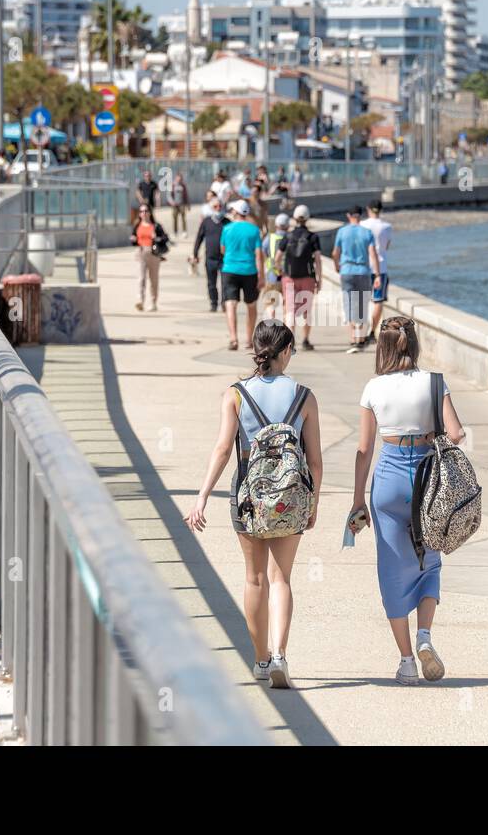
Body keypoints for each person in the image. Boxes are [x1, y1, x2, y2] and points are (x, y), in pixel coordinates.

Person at [184, 322, 322, 688]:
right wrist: (313, 502)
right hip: (291, 497)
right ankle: (280, 654)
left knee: (255, 578)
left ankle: (261, 659)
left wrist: (201, 496)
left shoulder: (235, 394)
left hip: (248, 495)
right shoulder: (305, 396)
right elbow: (316, 460)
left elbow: (223, 448)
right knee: (282, 579)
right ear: (288, 350)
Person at [349, 316, 464, 685]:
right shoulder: (435, 383)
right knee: (429, 563)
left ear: (382, 347)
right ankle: (425, 637)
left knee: (392, 571)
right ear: (414, 346)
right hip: (428, 479)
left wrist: (357, 501)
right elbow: (458, 433)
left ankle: (406, 663)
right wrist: (432, 434)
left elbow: (364, 448)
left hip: (388, 480)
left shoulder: (373, 387)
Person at [330, 205, 381, 354]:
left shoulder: (342, 231)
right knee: (361, 305)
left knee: (349, 304)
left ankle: (353, 339)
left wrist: (337, 266)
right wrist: (377, 274)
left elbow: (335, 253)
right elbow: (373, 254)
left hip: (346, 270)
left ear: (348, 215)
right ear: (361, 215)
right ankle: (359, 340)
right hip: (363, 271)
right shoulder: (367, 232)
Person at [219, 199, 264, 350]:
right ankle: (249, 340)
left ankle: (233, 339)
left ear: (236, 212)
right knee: (251, 305)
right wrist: (261, 276)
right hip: (249, 270)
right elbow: (259, 255)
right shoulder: (254, 230)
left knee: (231, 303)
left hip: (230, 269)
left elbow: (222, 250)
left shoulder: (227, 229)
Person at [275, 204, 320, 352]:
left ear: (294, 218)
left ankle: (289, 343)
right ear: (307, 219)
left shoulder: (287, 236)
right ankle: (306, 340)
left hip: (289, 277)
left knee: (290, 310)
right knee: (306, 310)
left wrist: (281, 271)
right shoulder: (313, 237)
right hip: (308, 277)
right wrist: (319, 279)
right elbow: (318, 260)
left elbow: (277, 258)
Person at [360, 201, 392, 345]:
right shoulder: (386, 227)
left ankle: (360, 331)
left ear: (368, 209)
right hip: (381, 268)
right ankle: (372, 332)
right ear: (381, 210)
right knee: (378, 301)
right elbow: (386, 246)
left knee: (363, 300)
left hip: (364, 267)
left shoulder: (362, 225)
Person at [191, 196, 227, 311]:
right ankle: (213, 303)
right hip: (210, 258)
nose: (218, 208)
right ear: (212, 207)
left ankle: (224, 303)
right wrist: (195, 254)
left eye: (220, 206)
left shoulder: (227, 222)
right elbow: (199, 238)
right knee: (211, 283)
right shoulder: (206, 222)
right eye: (215, 206)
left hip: (225, 259)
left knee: (225, 283)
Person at [130, 203, 168, 312]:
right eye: (141, 211)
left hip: (153, 253)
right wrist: (133, 239)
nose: (144, 213)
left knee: (153, 279)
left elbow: (165, 238)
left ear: (150, 212)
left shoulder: (156, 226)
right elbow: (134, 239)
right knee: (141, 278)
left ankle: (153, 302)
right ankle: (140, 301)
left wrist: (157, 238)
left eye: (146, 211)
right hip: (141, 252)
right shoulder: (137, 225)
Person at [261, 213, 289, 321]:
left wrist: (268, 262)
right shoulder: (290, 237)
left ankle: (272, 323)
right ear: (288, 226)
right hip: (288, 275)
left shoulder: (270, 238)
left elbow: (262, 252)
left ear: (276, 225)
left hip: (272, 275)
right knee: (287, 303)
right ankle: (287, 326)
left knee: (270, 302)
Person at [168, 172, 190, 238]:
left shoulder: (183, 186)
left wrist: (188, 204)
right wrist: (172, 202)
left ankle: (184, 231)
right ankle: (175, 232)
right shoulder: (172, 185)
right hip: (175, 205)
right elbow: (169, 195)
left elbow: (186, 195)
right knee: (175, 218)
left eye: (180, 179)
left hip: (182, 204)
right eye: (178, 179)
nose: (179, 180)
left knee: (183, 218)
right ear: (176, 178)